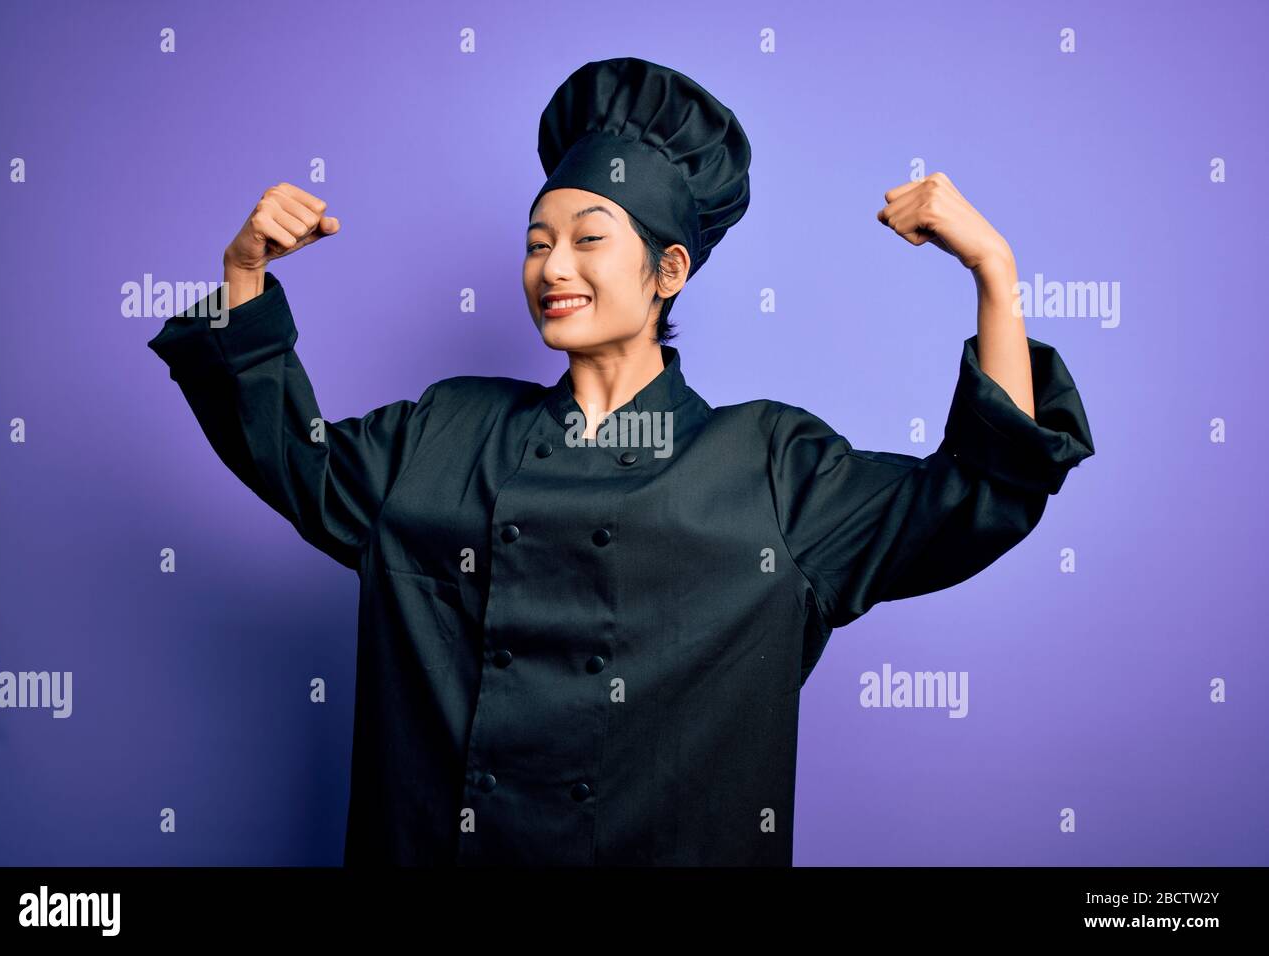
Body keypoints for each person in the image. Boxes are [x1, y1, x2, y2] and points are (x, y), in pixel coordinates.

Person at [147, 57, 1094, 866]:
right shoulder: (445, 429)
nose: (554, 267)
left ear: (668, 271)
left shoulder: (767, 460)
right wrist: (245, 280)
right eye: (537, 243)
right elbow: (289, 456)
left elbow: (978, 492)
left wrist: (995, 276)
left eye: (589, 239)